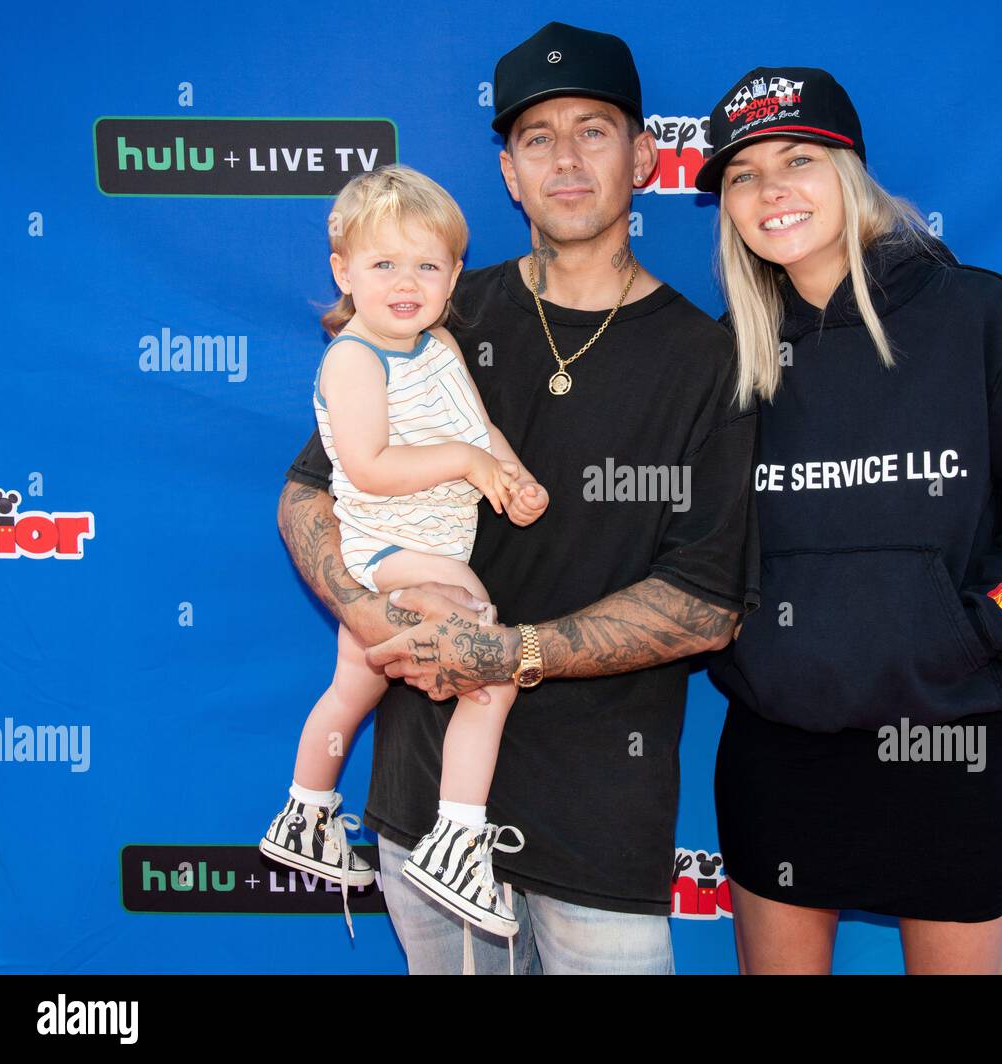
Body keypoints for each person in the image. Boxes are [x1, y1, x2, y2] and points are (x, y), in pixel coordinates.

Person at [278, 22, 758, 974]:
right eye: (537, 136)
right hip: (425, 803)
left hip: (599, 813)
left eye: (593, 129)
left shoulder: (708, 358)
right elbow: (311, 494)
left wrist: (507, 652)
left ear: (645, 154)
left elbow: (705, 606)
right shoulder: (435, 311)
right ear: (506, 170)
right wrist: (370, 610)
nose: (566, 159)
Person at [694, 67, 1002, 974]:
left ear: (850, 170)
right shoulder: (726, 354)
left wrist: (983, 630)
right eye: (744, 175)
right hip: (780, 750)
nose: (771, 191)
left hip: (949, 744)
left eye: (797, 158)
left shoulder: (979, 315)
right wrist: (746, 647)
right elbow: (695, 548)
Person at [259, 165, 550, 941]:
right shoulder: (354, 359)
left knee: (351, 690)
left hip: (419, 542)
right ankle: (456, 840)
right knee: (491, 672)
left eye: (427, 265)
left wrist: (511, 475)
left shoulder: (441, 343)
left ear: (454, 274)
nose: (405, 282)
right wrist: (464, 462)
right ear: (343, 271)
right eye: (384, 264)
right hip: (390, 550)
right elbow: (367, 467)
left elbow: (476, 425)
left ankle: (306, 813)